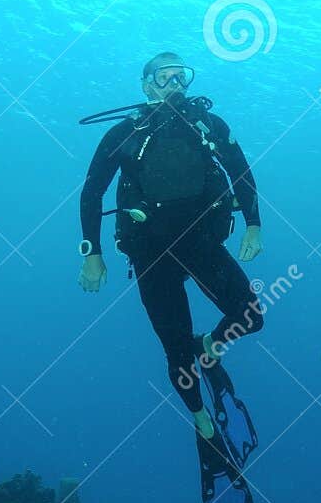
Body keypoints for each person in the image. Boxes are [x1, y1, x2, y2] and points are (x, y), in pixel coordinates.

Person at [77, 52, 264, 447]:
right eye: (165, 78)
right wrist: (92, 253)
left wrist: (254, 225)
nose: (176, 85)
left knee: (250, 316)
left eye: (182, 77)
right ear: (146, 85)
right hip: (151, 252)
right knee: (175, 348)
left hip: (202, 242)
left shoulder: (208, 125)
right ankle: (201, 419)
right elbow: (92, 193)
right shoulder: (124, 134)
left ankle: (209, 345)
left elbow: (241, 172)